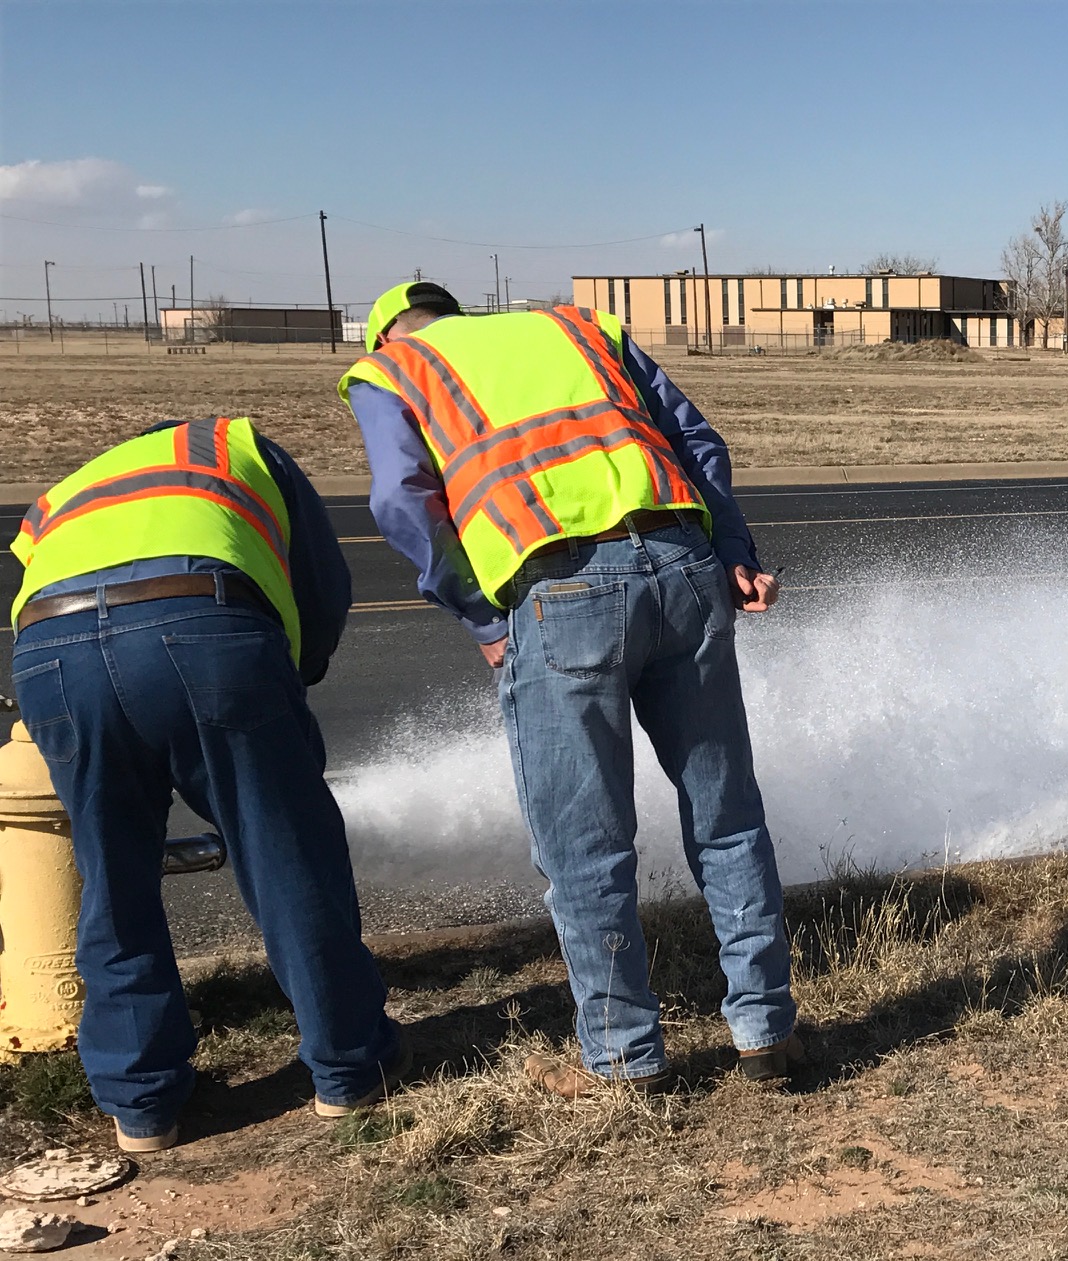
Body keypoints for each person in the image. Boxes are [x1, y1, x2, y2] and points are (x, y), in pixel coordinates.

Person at [338, 282, 801, 1094]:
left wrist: (482, 617)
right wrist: (732, 548)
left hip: (563, 591)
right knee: (726, 818)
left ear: (384, 338)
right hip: (684, 566)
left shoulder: (396, 369)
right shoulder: (580, 328)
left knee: (587, 847)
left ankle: (628, 1058)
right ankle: (765, 1035)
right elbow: (695, 439)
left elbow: (399, 500)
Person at [8, 419, 403, 1152]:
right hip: (198, 624)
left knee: (112, 874)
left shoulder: (68, 491)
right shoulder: (233, 446)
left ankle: (142, 1108)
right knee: (285, 854)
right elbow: (321, 587)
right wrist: (291, 683)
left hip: (48, 652)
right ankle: (348, 1071)